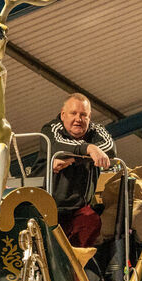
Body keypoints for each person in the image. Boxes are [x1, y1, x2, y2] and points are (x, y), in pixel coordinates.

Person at [40, 93, 115, 248]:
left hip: (78, 209)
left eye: (83, 115)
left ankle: (74, 264)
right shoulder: (51, 129)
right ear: (63, 115)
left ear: (89, 117)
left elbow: (110, 148)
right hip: (47, 207)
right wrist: (89, 149)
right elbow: (56, 146)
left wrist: (75, 158)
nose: (78, 119)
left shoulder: (96, 130)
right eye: (73, 113)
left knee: (91, 220)